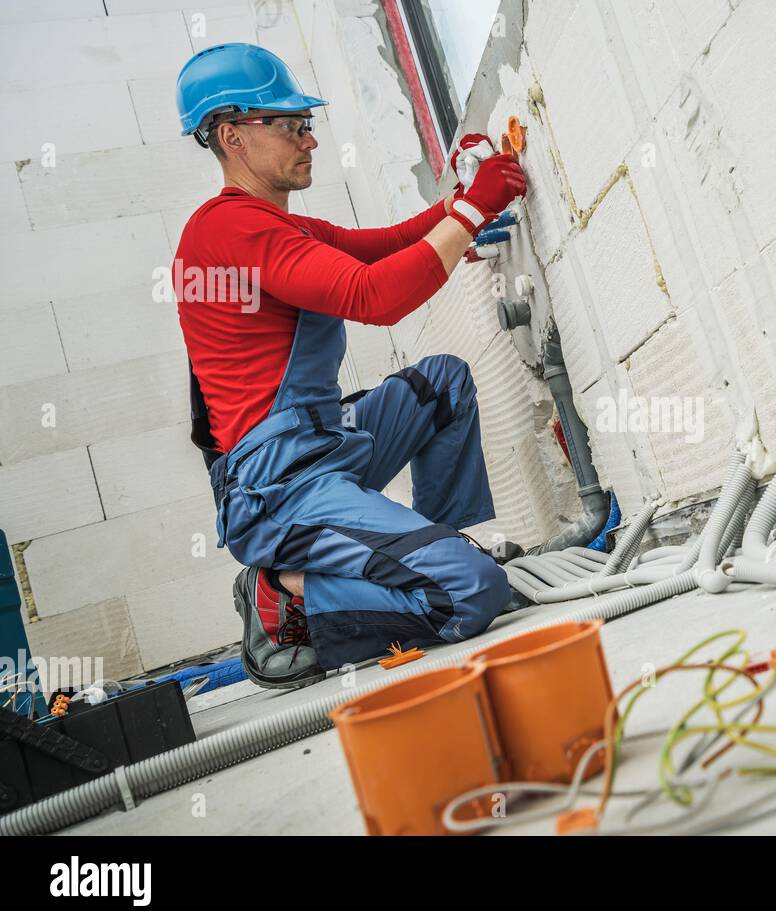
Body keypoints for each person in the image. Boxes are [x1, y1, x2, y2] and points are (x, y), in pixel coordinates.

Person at [173, 43, 527, 689]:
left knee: (442, 382)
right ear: (233, 135)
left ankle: (431, 549)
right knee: (474, 593)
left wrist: (463, 200)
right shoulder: (229, 230)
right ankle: (287, 594)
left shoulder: (280, 227)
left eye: (308, 124)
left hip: (321, 443)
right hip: (280, 488)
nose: (309, 140)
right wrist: (473, 210)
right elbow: (376, 297)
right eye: (290, 125)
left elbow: (389, 246)